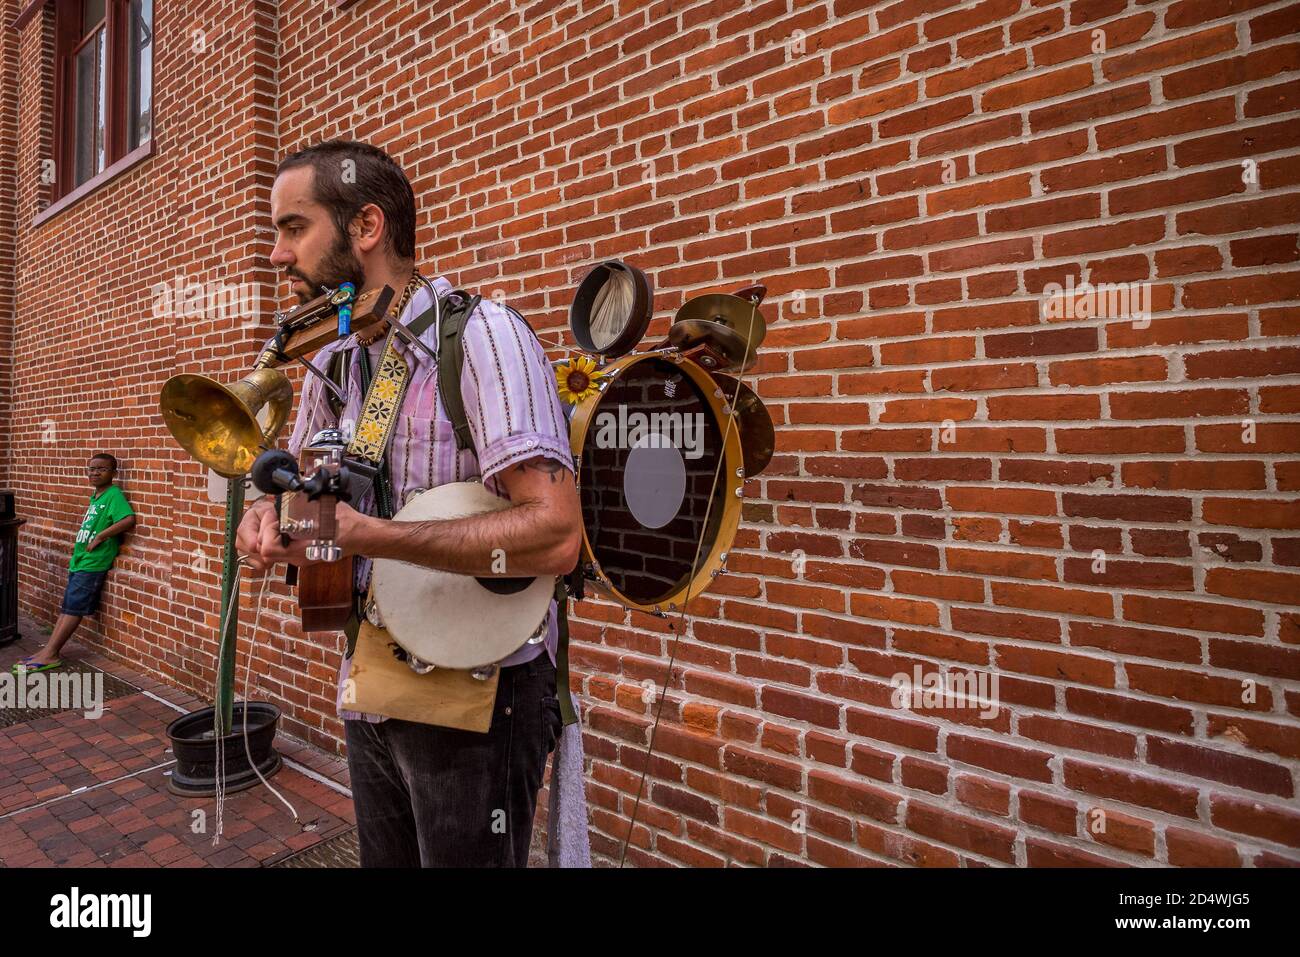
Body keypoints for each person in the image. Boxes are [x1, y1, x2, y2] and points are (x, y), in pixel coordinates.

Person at [235, 140, 582, 867]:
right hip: (370, 677)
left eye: (293, 227)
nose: (276, 253)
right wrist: (266, 519)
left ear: (367, 227)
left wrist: (371, 535)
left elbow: (555, 534)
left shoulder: (485, 336)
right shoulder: (331, 364)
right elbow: (298, 490)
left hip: (481, 698)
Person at [14, 453, 136, 673]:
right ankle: (47, 650)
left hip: (94, 562)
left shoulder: (114, 494)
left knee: (73, 610)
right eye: (91, 469)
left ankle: (51, 654)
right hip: (80, 560)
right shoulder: (96, 496)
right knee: (67, 608)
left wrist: (101, 537)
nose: (95, 473)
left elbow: (127, 519)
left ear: (114, 473)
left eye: (102, 469)